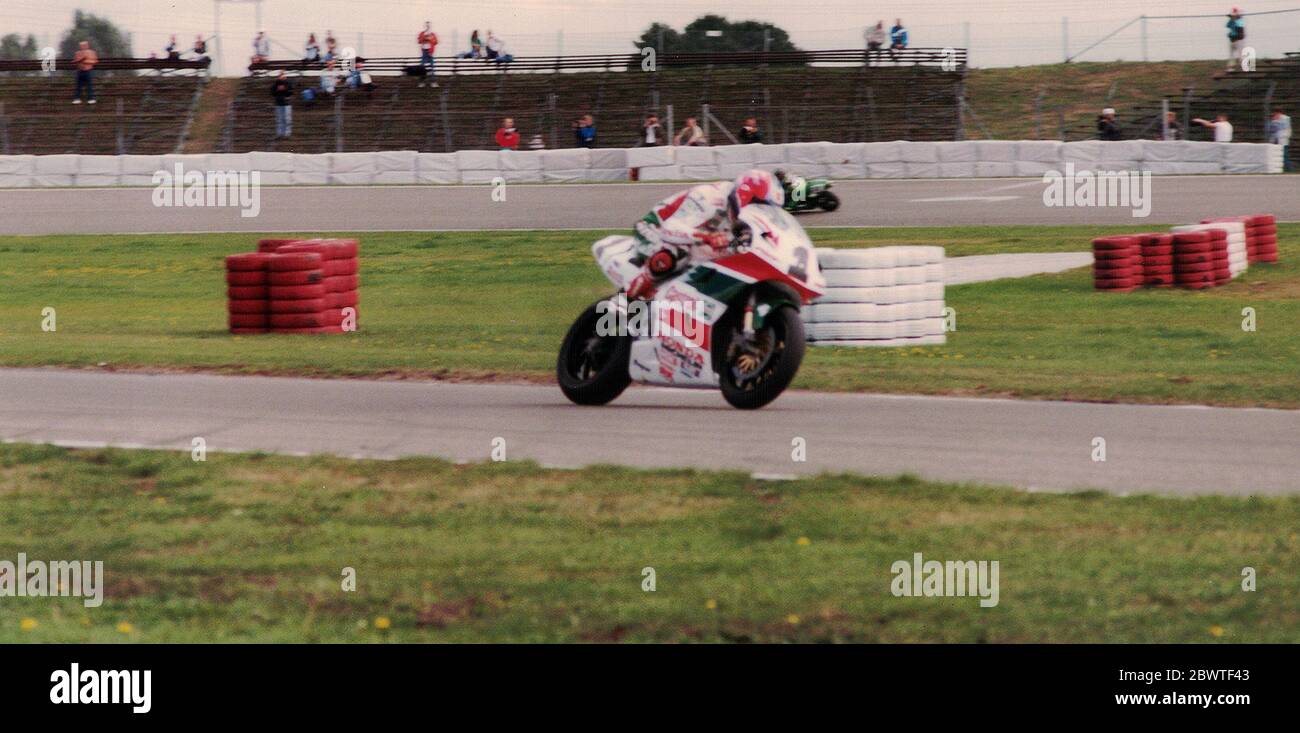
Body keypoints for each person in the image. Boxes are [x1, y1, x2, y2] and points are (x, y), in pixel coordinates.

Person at [624, 170, 786, 300]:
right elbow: (670, 228)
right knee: (675, 254)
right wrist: (706, 237)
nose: (761, 214)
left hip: (697, 241)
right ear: (744, 198)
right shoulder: (710, 197)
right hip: (654, 228)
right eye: (758, 207)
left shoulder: (746, 219)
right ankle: (625, 301)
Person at [270, 71, 294, 138]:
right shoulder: (275, 84)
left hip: (287, 103)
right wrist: (278, 89)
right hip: (278, 103)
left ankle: (287, 133)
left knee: (287, 119)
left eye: (283, 75)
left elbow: (291, 92)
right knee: (279, 119)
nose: (281, 77)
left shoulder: (288, 83)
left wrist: (285, 89)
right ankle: (279, 133)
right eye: (280, 75)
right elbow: (272, 93)